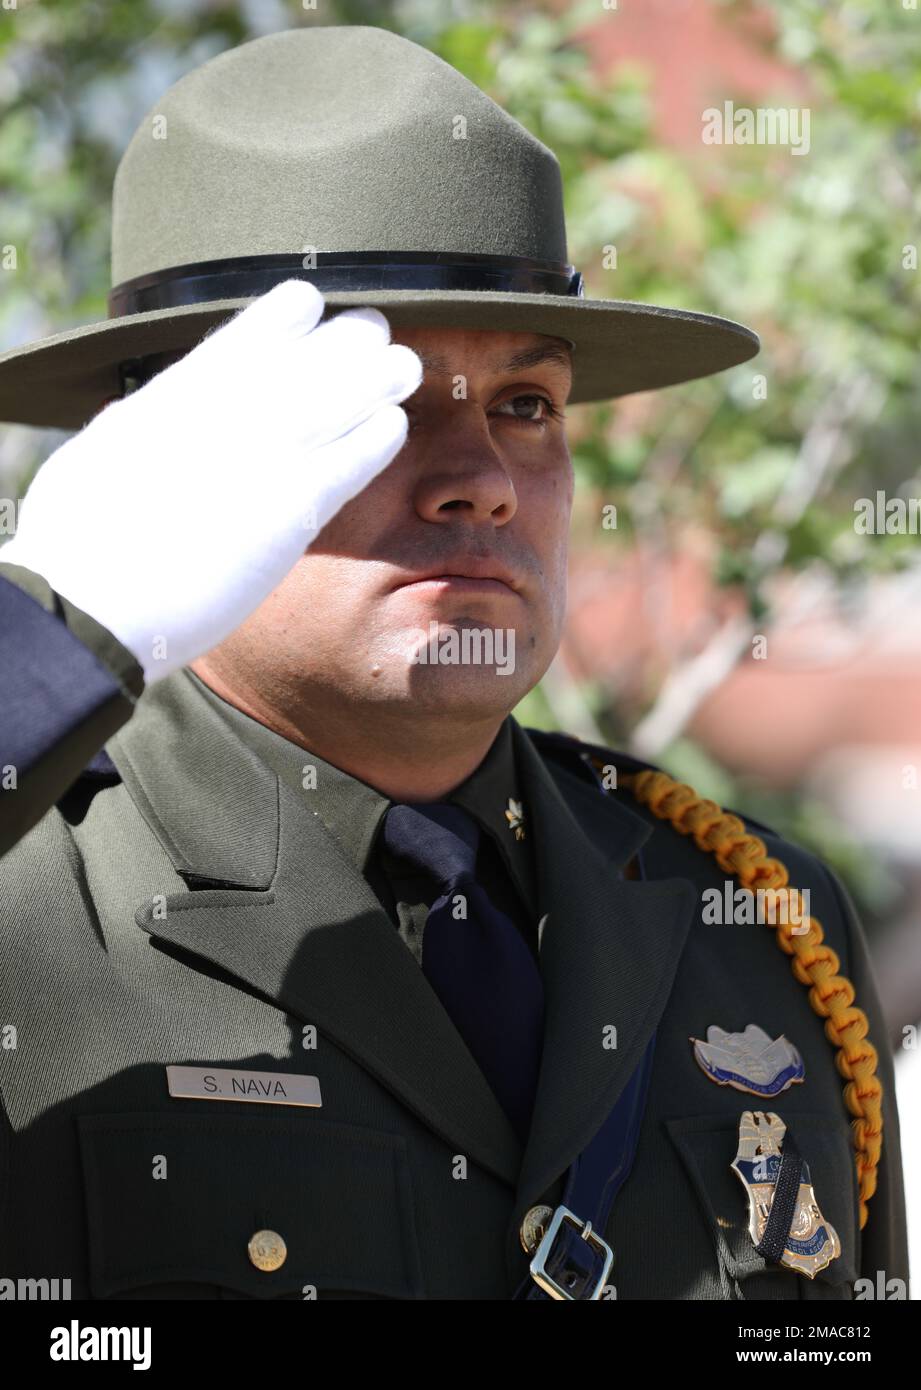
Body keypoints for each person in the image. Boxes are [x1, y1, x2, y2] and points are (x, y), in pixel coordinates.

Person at [0, 25, 907, 1301]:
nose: (481, 479)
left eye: (524, 405)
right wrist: (43, 633)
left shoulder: (754, 918)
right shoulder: (35, 891)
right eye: (373, 404)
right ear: (168, 443)